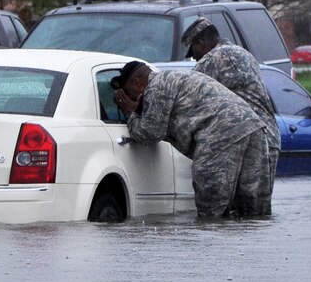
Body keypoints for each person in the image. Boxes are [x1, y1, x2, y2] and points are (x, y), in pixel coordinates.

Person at [112, 61, 273, 218]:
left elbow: (149, 134)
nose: (130, 99)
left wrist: (130, 113)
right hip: (254, 127)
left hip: (219, 135)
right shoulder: (176, 77)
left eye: (127, 94)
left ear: (138, 83)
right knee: (254, 211)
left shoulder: (156, 87)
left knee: (211, 214)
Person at [182, 17, 281, 214]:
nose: (193, 58)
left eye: (192, 51)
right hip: (270, 137)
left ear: (201, 43)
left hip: (247, 140)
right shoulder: (244, 54)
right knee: (256, 214)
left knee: (233, 213)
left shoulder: (211, 61)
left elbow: (186, 97)